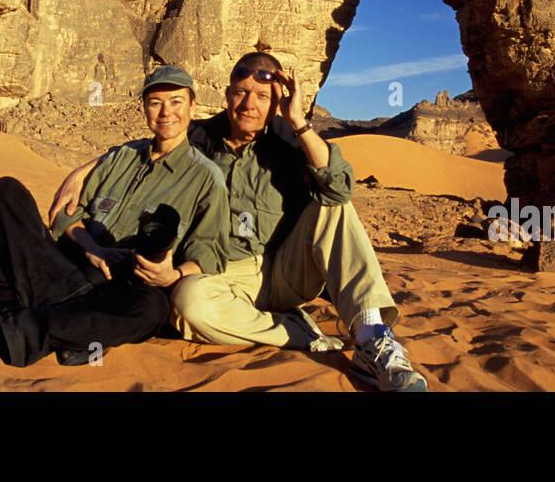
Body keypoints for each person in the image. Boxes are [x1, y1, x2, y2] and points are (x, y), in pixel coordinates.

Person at [51, 51, 428, 391]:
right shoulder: (199, 138)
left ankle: (370, 336)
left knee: (334, 206)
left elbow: (341, 185)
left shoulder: (289, 142)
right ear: (228, 93)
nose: (249, 104)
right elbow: (150, 146)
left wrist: (297, 120)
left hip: (281, 271)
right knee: (187, 305)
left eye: (262, 96)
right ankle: (294, 331)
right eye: (241, 92)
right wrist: (90, 167)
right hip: (213, 272)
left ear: (276, 101)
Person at [0, 65, 228, 368]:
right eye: (155, 102)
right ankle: (78, 331)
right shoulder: (120, 158)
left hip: (123, 287)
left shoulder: (206, 178)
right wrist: (94, 250)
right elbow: (68, 216)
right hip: (70, 265)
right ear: (144, 108)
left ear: (193, 106)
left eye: (176, 102)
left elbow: (209, 251)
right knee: (3, 193)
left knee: (150, 311)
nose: (165, 112)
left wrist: (172, 276)